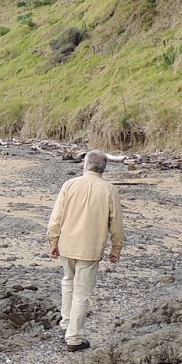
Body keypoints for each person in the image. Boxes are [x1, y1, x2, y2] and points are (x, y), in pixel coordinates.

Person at [46, 149, 124, 351]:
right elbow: (116, 224)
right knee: (82, 292)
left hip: (67, 244)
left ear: (86, 165)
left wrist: (53, 241)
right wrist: (116, 247)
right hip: (90, 247)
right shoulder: (109, 190)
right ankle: (73, 338)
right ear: (104, 169)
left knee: (68, 283)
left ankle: (66, 324)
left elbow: (55, 217)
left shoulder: (69, 185)